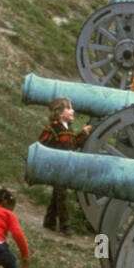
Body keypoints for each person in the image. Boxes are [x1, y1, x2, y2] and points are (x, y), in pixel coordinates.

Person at [39, 98, 92, 233]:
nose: (72, 110)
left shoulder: (68, 128)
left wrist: (83, 134)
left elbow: (73, 144)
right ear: (60, 113)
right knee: (62, 195)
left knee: (57, 195)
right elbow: (42, 145)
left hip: (65, 167)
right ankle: (65, 225)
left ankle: (49, 221)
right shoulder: (52, 129)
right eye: (69, 108)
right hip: (57, 167)